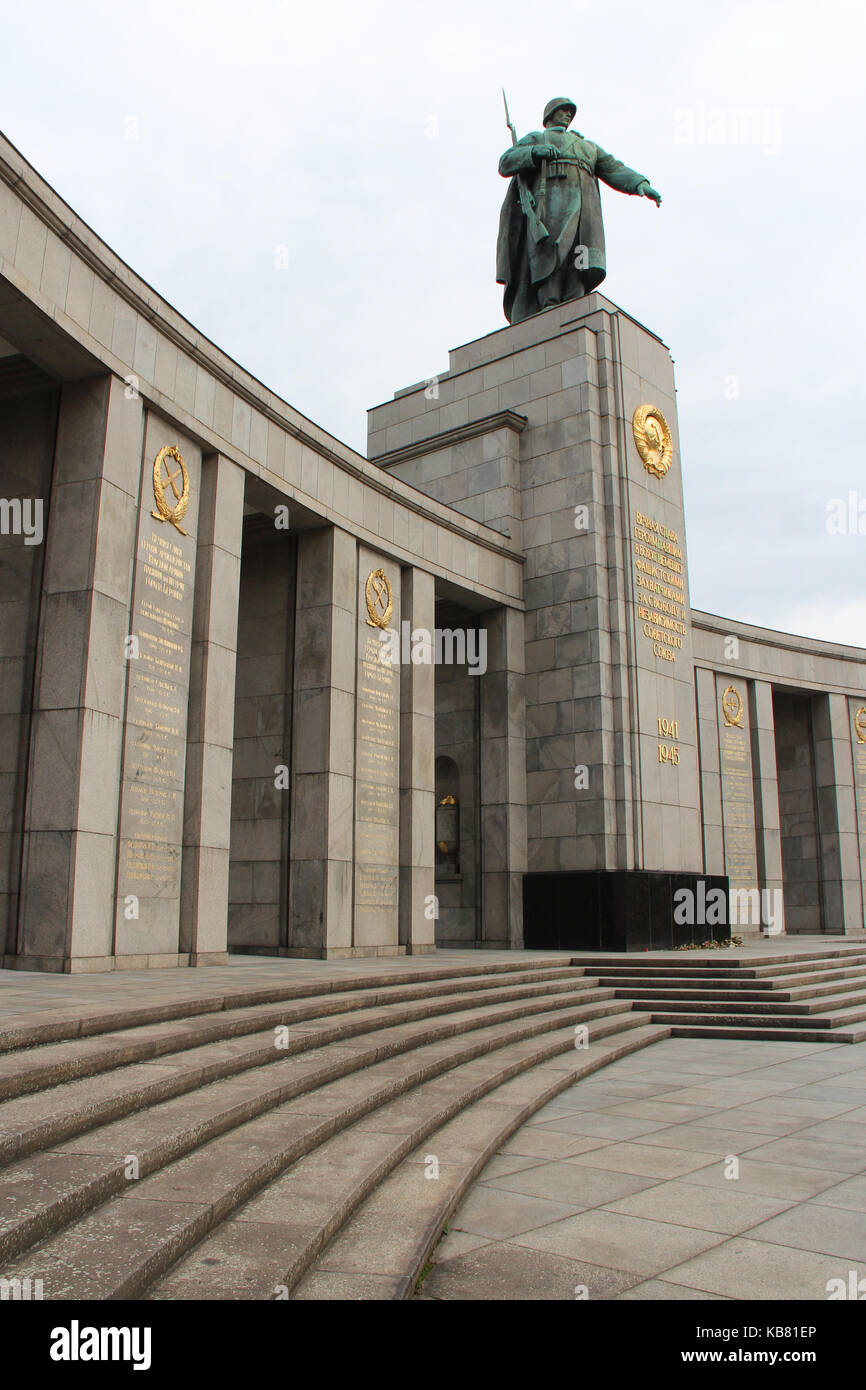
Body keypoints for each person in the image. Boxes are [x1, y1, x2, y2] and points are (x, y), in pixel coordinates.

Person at [496, 97, 661, 324]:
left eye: (570, 112)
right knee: (552, 250)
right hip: (550, 202)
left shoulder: (587, 146)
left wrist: (640, 185)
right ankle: (550, 301)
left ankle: (576, 299)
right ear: (550, 115)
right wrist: (534, 152)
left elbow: (613, 167)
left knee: (578, 252)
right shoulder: (537, 138)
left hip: (584, 206)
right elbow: (506, 161)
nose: (568, 115)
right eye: (563, 110)